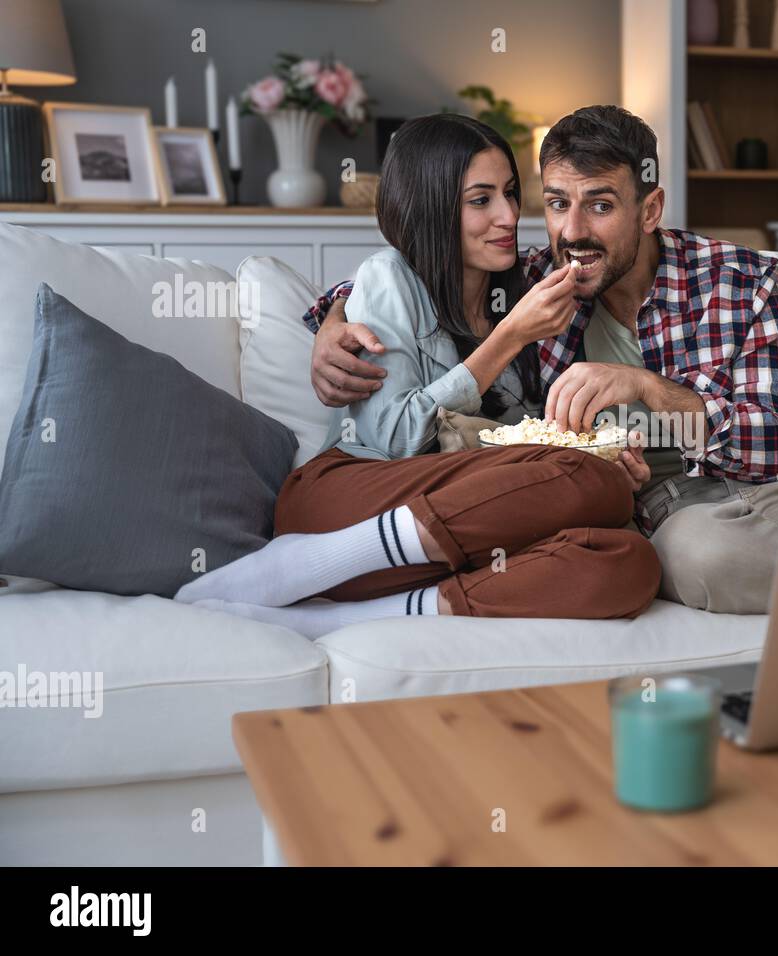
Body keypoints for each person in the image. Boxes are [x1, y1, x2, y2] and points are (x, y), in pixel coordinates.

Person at [305, 106, 778, 616]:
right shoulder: (529, 286)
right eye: (554, 203)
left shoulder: (747, 281)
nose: (572, 230)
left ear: (649, 210)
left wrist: (645, 388)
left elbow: (773, 444)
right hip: (676, 510)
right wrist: (330, 323)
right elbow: (420, 273)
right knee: (699, 555)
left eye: (600, 206)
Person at [173, 113, 660, 636]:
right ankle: (300, 563)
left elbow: (513, 443)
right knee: (593, 486)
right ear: (432, 206)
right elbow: (398, 439)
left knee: (628, 560)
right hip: (350, 498)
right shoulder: (390, 277)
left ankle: (347, 614)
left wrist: (595, 452)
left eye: (512, 194)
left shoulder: (528, 286)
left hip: (455, 524)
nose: (508, 216)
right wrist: (508, 339)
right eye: (481, 200)